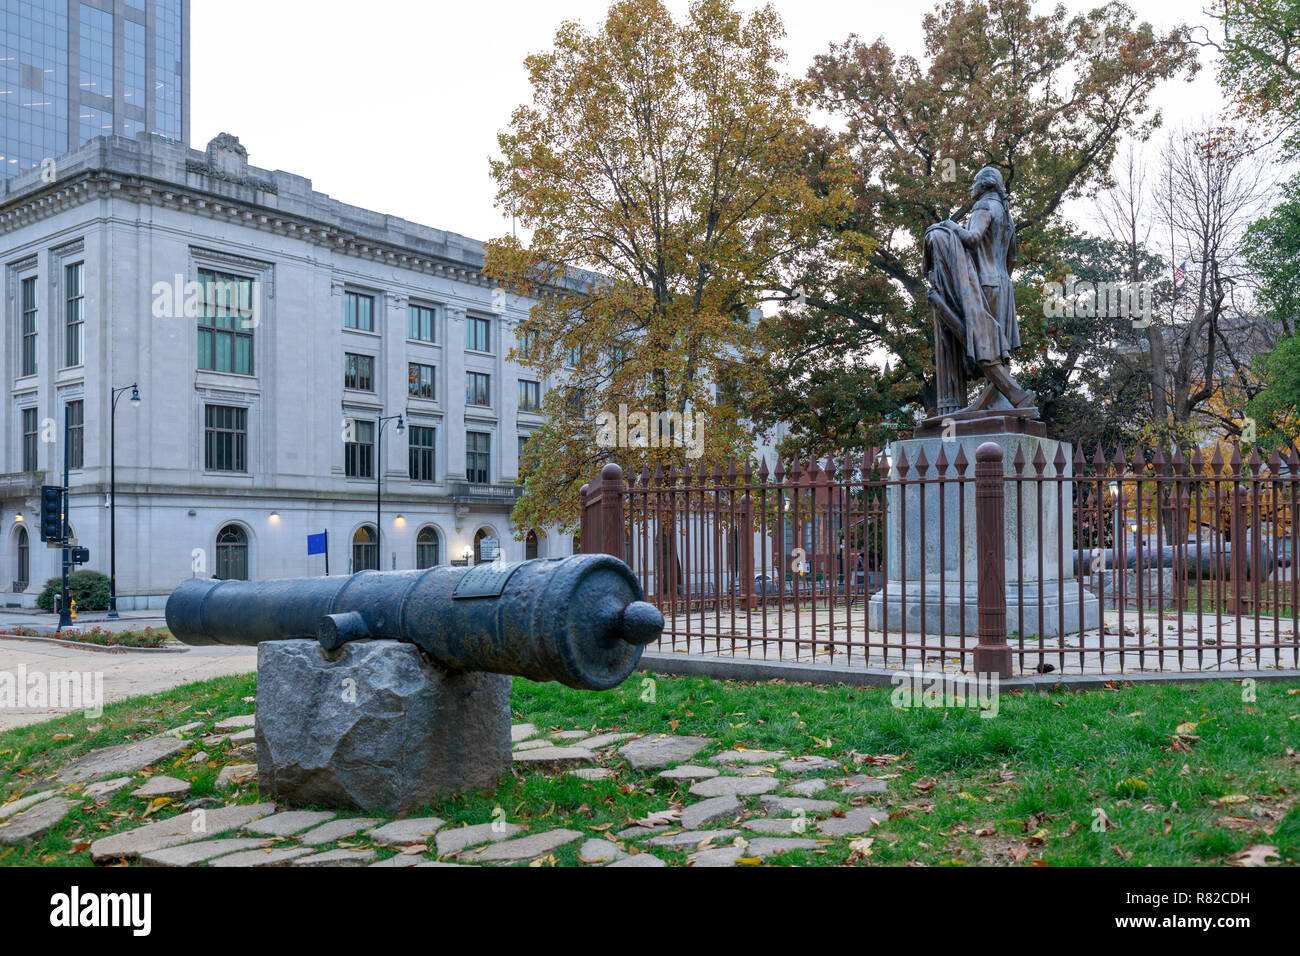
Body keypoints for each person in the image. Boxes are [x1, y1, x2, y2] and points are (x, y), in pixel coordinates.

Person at [923, 166, 1034, 414]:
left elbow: (972, 238)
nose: (970, 187)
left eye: (974, 182)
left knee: (983, 342)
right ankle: (998, 402)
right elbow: (1012, 258)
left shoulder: (984, 207)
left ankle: (1013, 396)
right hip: (1004, 284)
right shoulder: (1006, 215)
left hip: (985, 282)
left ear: (985, 185)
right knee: (997, 345)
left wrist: (949, 225)